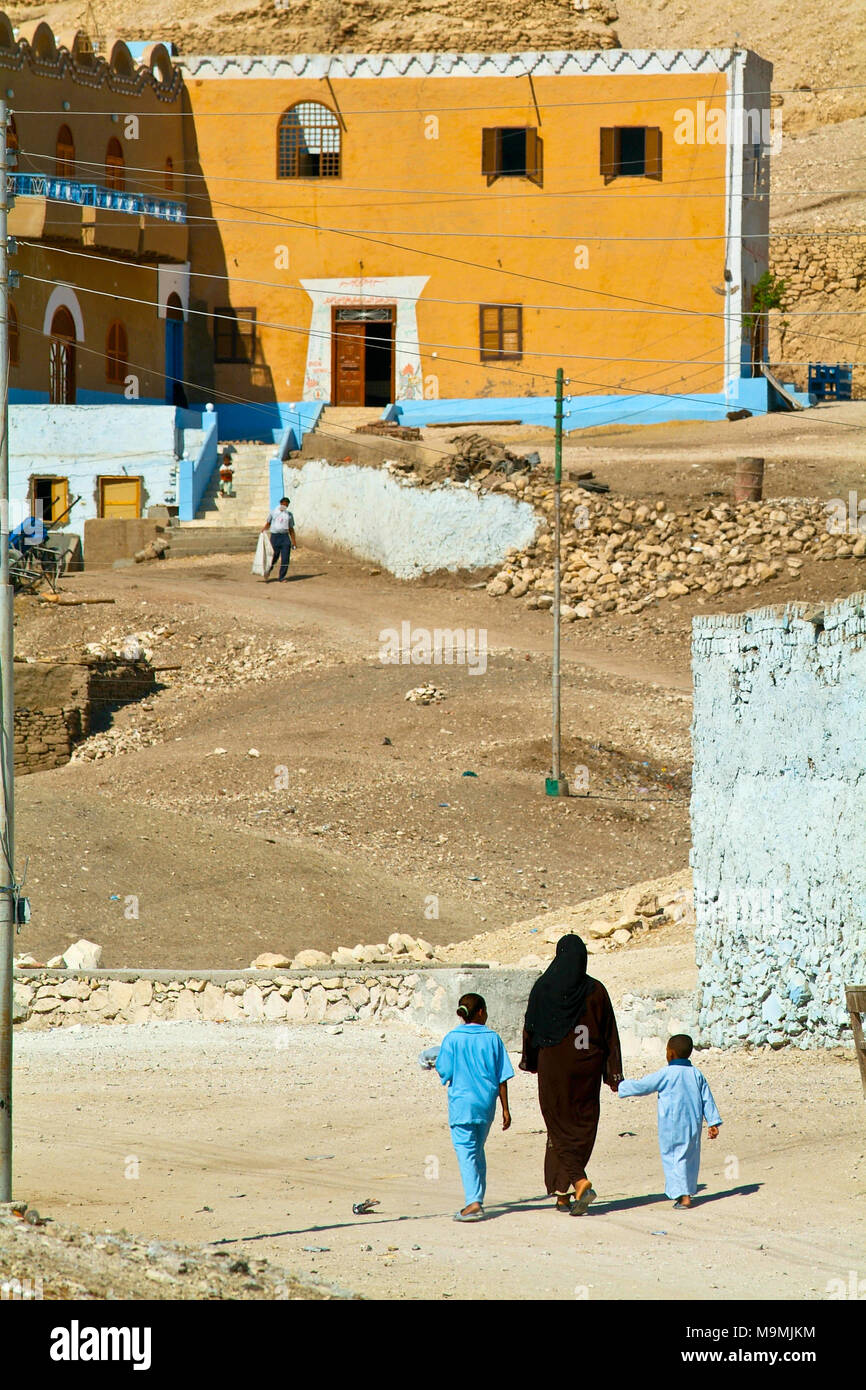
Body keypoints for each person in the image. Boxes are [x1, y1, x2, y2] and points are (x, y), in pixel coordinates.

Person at [520, 935, 622, 1215]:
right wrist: (613, 1073)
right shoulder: (596, 991)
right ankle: (562, 1195)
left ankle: (578, 1180)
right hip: (588, 1070)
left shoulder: (543, 988)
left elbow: (531, 1028)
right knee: (581, 1125)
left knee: (557, 1126)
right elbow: (609, 1034)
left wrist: (530, 1060)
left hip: (554, 1069)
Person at [617, 1033, 722, 1209]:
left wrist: (621, 1086)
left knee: (673, 1157)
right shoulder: (696, 1073)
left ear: (671, 1053)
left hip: (673, 1125)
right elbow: (707, 1099)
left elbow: (644, 1086)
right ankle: (687, 1191)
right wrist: (713, 1122)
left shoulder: (666, 1073)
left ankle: (683, 1197)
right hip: (694, 1124)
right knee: (690, 1157)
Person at [434, 993, 514, 1222]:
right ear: (480, 1012)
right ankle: (477, 1198)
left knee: (466, 1151)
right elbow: (502, 1077)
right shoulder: (493, 1038)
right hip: (486, 1105)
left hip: (462, 1105)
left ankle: (473, 1202)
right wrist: (506, 1109)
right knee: (477, 1150)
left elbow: (444, 1071)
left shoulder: (452, 1038)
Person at [260, 497, 297, 582]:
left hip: (285, 537)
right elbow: (268, 523)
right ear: (280, 503)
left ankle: (282, 577)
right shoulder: (273, 512)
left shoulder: (289, 515)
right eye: (284, 504)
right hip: (275, 537)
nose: (285, 506)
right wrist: (263, 530)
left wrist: (294, 542)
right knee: (274, 556)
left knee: (285, 558)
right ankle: (268, 570)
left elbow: (291, 529)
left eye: (286, 505)